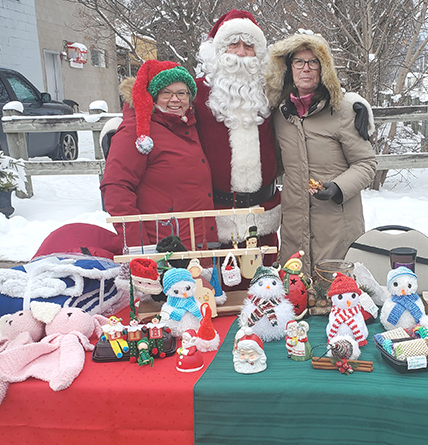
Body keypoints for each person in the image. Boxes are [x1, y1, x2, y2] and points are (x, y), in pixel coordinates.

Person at [264, 33, 377, 277]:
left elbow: (366, 164)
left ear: (323, 68)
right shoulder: (280, 115)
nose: (306, 69)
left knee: (338, 297)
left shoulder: (344, 110)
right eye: (299, 62)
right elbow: (275, 163)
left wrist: (338, 187)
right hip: (294, 228)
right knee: (297, 296)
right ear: (288, 68)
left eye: (313, 62)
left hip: (337, 226)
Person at [100, 60, 217, 251]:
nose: (175, 99)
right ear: (153, 96)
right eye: (166, 93)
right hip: (164, 249)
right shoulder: (137, 131)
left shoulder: (189, 127)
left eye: (181, 93)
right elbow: (116, 188)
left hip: (199, 244)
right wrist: (140, 248)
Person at [194, 10, 280, 266]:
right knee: (217, 295)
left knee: (266, 293)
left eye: (248, 45)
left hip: (263, 215)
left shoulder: (272, 92)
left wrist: (354, 103)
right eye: (233, 44)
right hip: (215, 217)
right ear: (218, 51)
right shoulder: (196, 91)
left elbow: (313, 99)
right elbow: (161, 108)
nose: (241, 53)